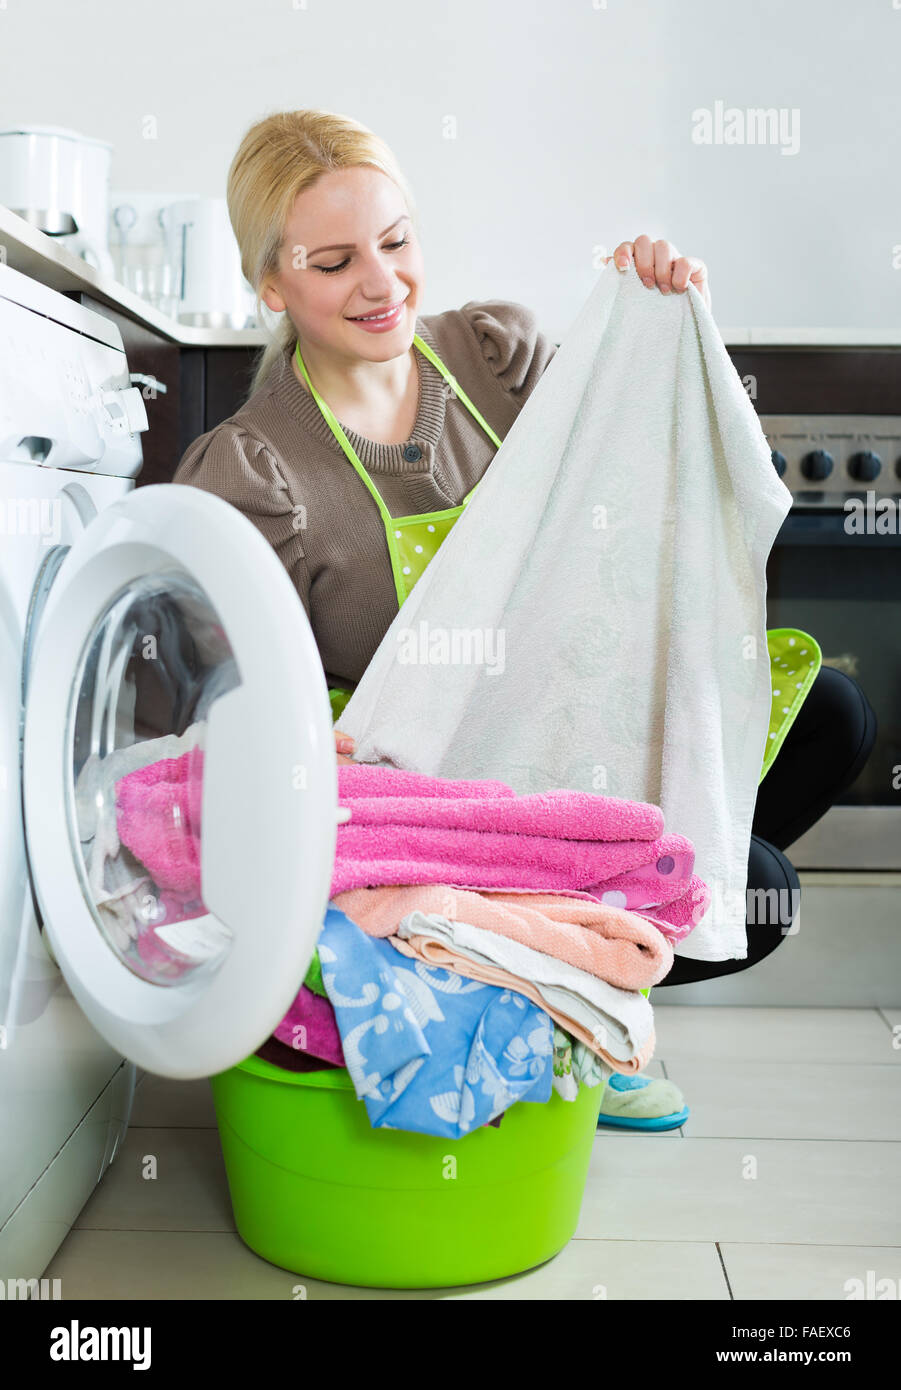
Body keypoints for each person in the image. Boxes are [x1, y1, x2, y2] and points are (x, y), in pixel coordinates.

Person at [173, 109, 876, 1131]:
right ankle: (571, 991)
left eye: (397, 240)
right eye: (333, 262)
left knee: (835, 720)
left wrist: (669, 321)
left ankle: (590, 965)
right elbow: (233, 685)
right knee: (758, 886)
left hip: (572, 719)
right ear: (270, 286)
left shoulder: (492, 358)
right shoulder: (256, 468)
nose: (382, 283)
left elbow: (624, 475)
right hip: (445, 801)